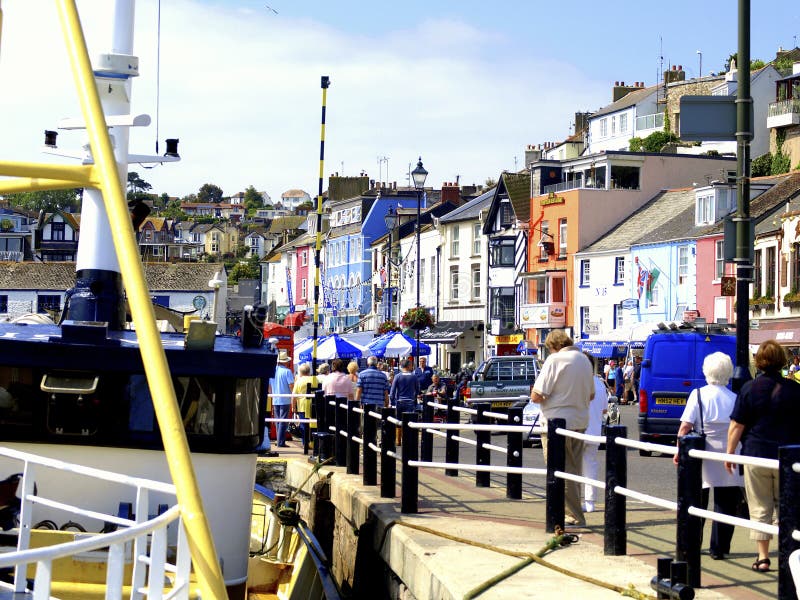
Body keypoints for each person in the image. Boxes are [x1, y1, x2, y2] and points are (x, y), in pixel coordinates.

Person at [725, 340, 800, 572]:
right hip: (787, 457)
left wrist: (729, 454)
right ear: (782, 361)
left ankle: (763, 557)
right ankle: (790, 557)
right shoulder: (795, 389)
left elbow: (737, 425)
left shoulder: (749, 388)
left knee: (759, 507)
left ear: (759, 361)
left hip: (756, 455)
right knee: (788, 507)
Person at [673, 352, 743, 560]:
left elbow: (685, 427)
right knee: (726, 502)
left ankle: (693, 542)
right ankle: (719, 548)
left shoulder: (698, 394)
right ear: (728, 373)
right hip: (730, 452)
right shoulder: (735, 398)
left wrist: (679, 450)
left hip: (702, 452)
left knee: (697, 500)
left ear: (706, 371)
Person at [530, 330, 594, 526]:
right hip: (580, 422)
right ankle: (573, 513)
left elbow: (536, 395)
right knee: (573, 469)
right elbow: (591, 395)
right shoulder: (584, 360)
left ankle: (570, 515)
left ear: (553, 346)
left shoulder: (555, 360)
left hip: (556, 423)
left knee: (558, 469)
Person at [582, 353, 609, 513]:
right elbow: (605, 409)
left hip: (577, 429)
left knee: (572, 468)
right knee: (590, 466)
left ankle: (572, 504)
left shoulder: (578, 382)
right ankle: (590, 502)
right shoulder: (599, 383)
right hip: (594, 431)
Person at [390, 358, 420, 445]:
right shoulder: (414, 377)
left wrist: (392, 401)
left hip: (399, 401)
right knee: (409, 422)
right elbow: (417, 390)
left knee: (399, 421)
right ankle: (407, 440)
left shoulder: (397, 376)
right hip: (410, 401)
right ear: (409, 366)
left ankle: (398, 440)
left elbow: (392, 391)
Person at [269, 349, 294, 448]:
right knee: (283, 421)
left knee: (278, 421)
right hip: (285, 399)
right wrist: (294, 396)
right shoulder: (287, 371)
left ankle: (279, 440)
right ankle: (280, 442)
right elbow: (291, 385)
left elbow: (269, 387)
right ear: (285, 361)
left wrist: (272, 394)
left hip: (275, 399)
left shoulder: (272, 370)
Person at [291, 362, 314, 443]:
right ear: (309, 371)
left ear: (300, 372)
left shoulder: (299, 381)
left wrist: (293, 407)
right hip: (313, 405)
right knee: (313, 425)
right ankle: (312, 442)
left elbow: (293, 395)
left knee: (303, 425)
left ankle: (305, 443)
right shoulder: (313, 379)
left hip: (302, 405)